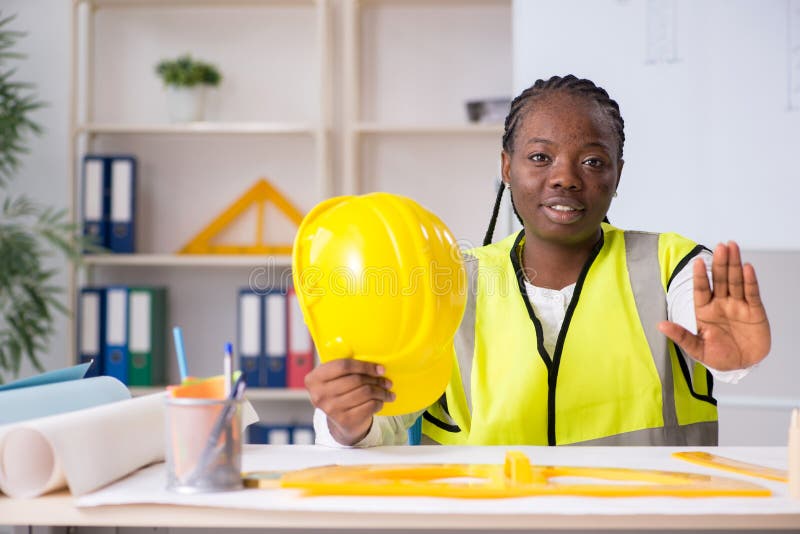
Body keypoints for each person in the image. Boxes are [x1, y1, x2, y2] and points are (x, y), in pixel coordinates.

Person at [306, 74, 771, 447]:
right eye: (540, 157)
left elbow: (712, 324)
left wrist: (732, 360)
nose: (565, 178)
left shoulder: (674, 265)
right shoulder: (447, 279)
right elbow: (378, 429)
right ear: (507, 168)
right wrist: (348, 421)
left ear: (617, 173)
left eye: (592, 161)